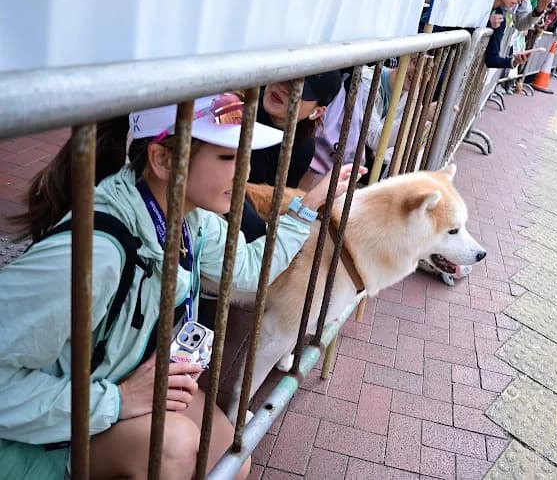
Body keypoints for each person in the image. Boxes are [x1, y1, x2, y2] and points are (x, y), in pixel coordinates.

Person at [0, 92, 359, 479]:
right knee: (174, 448)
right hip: (39, 436)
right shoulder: (92, 253)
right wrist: (118, 400)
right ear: (163, 160)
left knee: (231, 459)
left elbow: (250, 269)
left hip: (112, 385)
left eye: (245, 154)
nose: (245, 171)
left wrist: (307, 207)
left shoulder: (190, 218)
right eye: (228, 157)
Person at [249, 72, 342, 189]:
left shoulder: (302, 147)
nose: (283, 88)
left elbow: (280, 195)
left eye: (297, 91)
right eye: (283, 77)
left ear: (316, 112)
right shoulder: (239, 105)